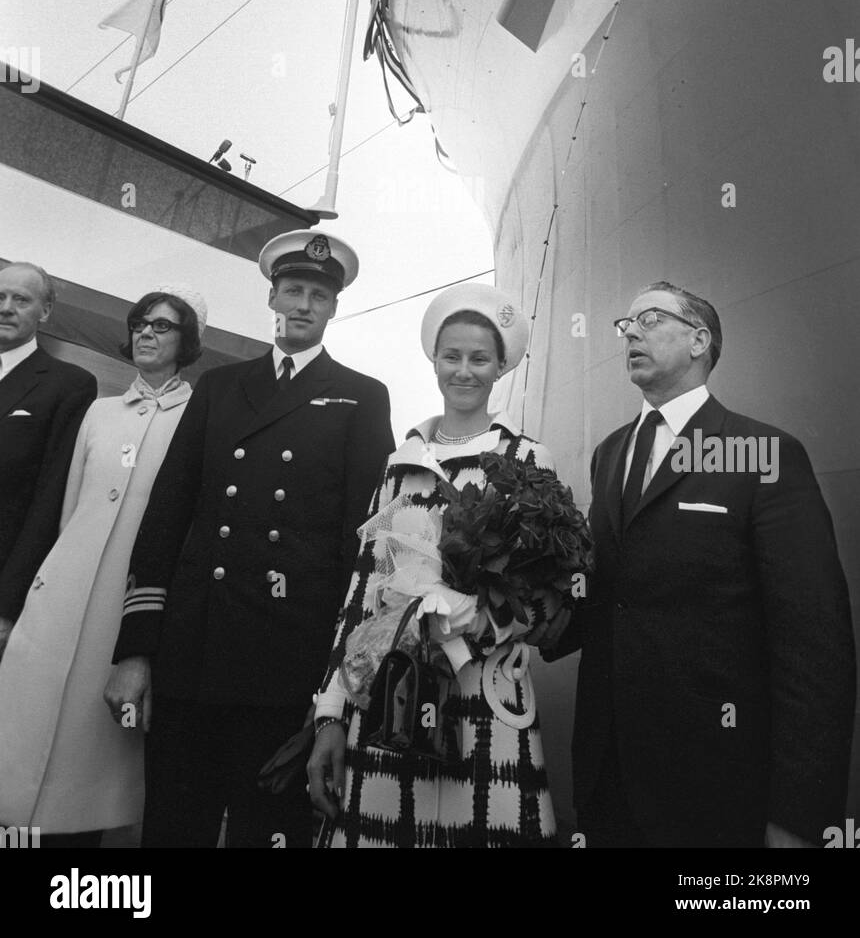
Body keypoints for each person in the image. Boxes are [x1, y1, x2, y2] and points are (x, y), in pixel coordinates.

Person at [104, 230, 394, 849]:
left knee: (266, 834)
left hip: (285, 665)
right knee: (173, 829)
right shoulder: (220, 387)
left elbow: (363, 547)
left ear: (334, 309)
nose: (303, 304)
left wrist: (338, 688)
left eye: (319, 295)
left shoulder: (363, 398)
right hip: (192, 653)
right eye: (293, 290)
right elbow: (168, 513)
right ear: (272, 297)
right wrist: (135, 649)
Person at [546, 281, 856, 849]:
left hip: (714, 784)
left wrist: (801, 815)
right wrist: (533, 617)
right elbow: (615, 590)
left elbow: (814, 643)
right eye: (626, 324)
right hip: (610, 775)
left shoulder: (762, 451)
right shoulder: (610, 453)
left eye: (650, 319)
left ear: (699, 340)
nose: (630, 332)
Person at [307, 282, 563, 849]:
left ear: (500, 367)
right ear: (434, 362)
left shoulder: (527, 457)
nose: (464, 370)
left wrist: (460, 623)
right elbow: (362, 591)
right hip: (388, 696)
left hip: (485, 701)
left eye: (479, 358)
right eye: (452, 356)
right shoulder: (400, 464)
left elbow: (544, 597)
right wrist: (329, 713)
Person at [0, 287, 205, 847]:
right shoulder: (98, 411)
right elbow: (65, 508)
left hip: (130, 603)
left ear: (188, 341)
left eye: (163, 326)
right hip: (62, 592)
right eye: (141, 323)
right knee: (27, 726)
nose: (147, 333)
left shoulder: (200, 417)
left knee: (102, 756)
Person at [0, 261, 96, 660]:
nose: (6, 307)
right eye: (0, 297)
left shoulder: (68, 384)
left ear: (46, 310)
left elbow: (49, 500)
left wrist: (7, 607)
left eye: (20, 299)